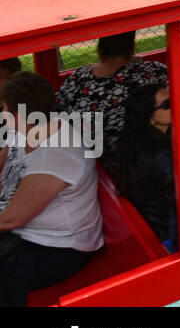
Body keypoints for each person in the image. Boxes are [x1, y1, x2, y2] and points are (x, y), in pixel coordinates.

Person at [54, 31, 180, 181]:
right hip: (161, 141)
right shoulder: (152, 70)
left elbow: (59, 113)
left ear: (100, 48)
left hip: (108, 156)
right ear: (132, 47)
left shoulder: (78, 77)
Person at [0, 73, 103, 307]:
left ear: (16, 115)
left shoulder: (55, 154)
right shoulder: (23, 129)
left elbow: (10, 221)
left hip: (56, 247)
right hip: (21, 231)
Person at [114, 84, 177, 248]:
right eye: (167, 104)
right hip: (170, 235)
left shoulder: (134, 141)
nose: (176, 105)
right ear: (150, 117)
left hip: (155, 224)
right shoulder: (157, 155)